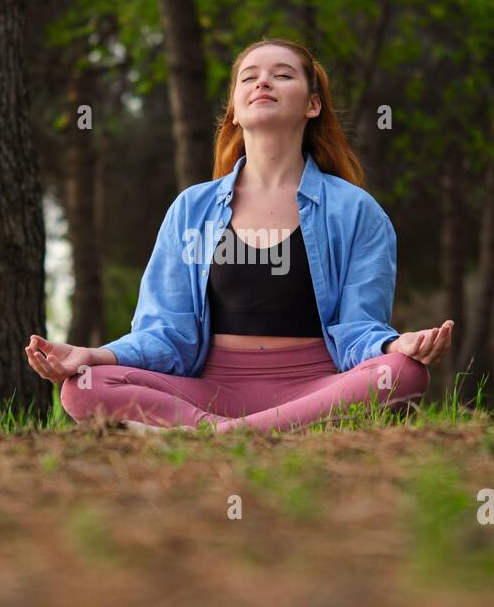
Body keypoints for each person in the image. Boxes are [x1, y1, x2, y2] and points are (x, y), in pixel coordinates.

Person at [26, 38, 454, 432]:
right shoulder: (191, 210)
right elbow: (164, 335)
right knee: (82, 386)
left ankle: (225, 435)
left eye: (283, 74)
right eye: (249, 77)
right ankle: (226, 429)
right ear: (233, 108)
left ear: (313, 105)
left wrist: (396, 343)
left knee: (403, 372)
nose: (263, 81)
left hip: (313, 390)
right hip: (209, 394)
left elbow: (359, 330)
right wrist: (92, 355)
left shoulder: (357, 212)